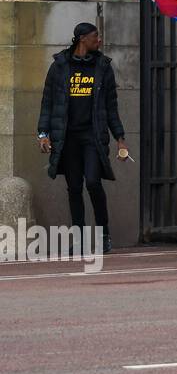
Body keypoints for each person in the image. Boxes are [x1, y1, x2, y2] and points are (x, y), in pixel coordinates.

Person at [37, 22, 128, 254]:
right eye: (95, 36)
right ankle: (77, 240)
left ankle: (104, 234)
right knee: (74, 187)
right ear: (82, 39)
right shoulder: (59, 66)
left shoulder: (102, 67)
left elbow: (111, 106)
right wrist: (43, 134)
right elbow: (47, 103)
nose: (99, 40)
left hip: (93, 137)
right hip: (67, 138)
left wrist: (120, 138)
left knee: (93, 183)